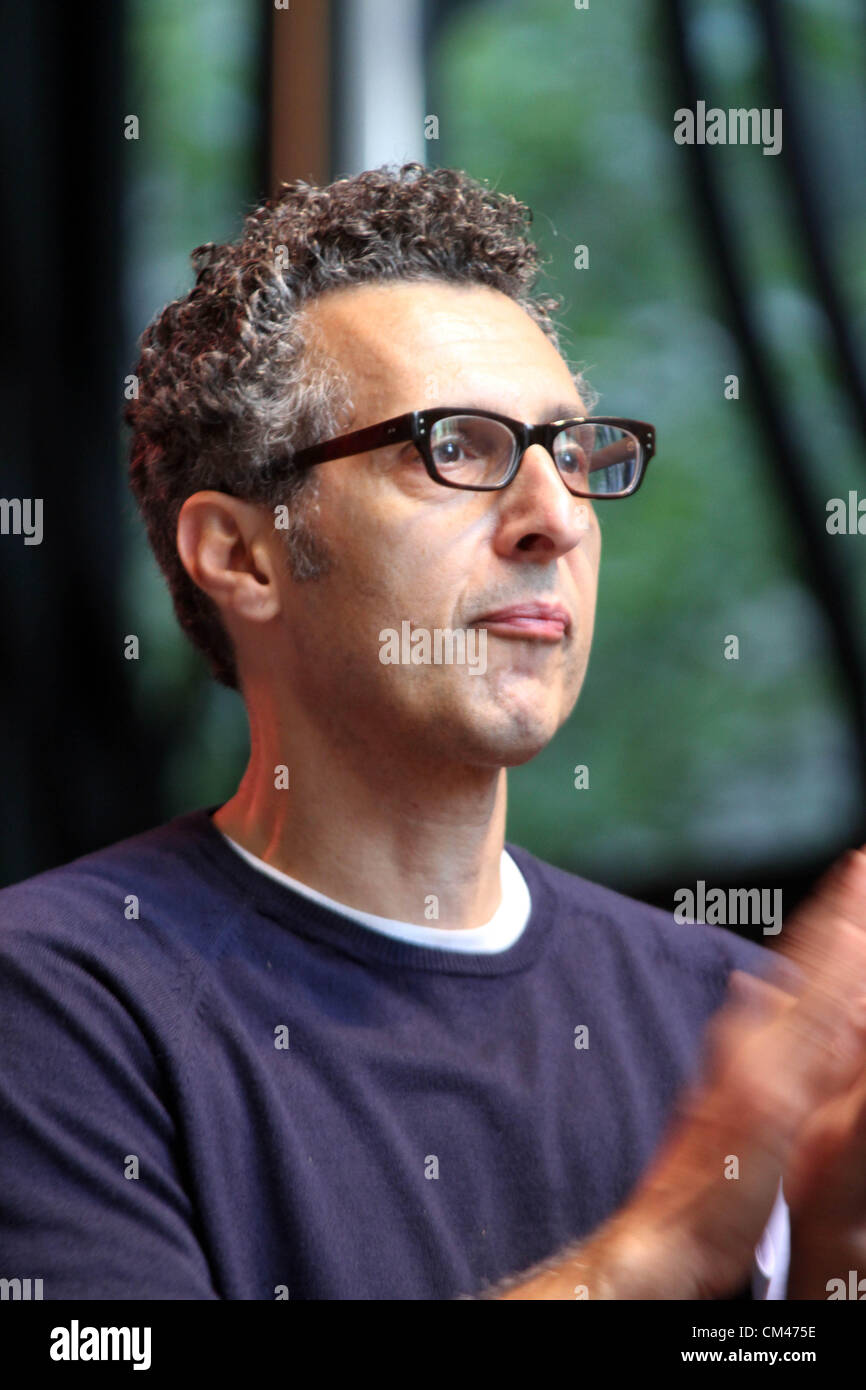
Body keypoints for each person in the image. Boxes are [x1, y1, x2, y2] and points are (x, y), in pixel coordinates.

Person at [2, 164, 865, 1302]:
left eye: (572, 450)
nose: (554, 516)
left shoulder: (737, 1017)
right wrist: (660, 1257)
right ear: (241, 555)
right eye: (455, 448)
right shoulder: (56, 1006)